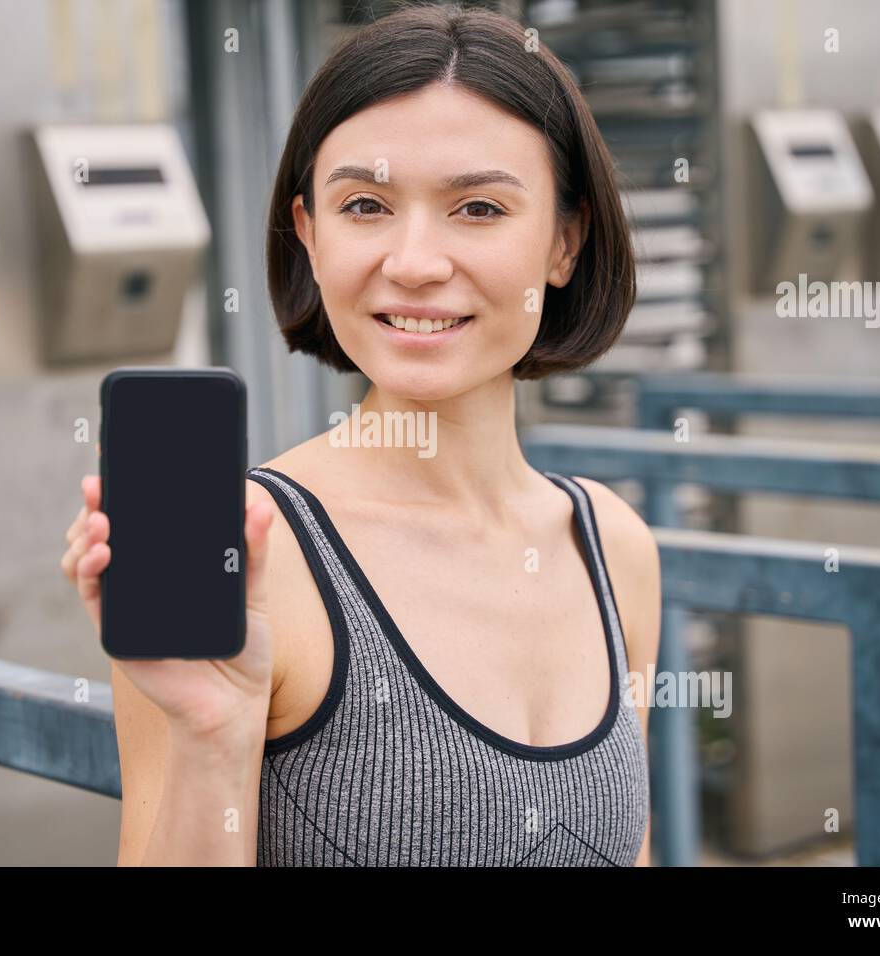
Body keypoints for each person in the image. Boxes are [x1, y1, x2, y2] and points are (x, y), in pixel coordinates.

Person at [60, 2, 661, 866]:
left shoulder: (611, 544)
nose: (414, 262)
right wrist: (209, 735)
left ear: (565, 242)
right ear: (308, 233)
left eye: (480, 208)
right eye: (366, 205)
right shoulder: (238, 559)